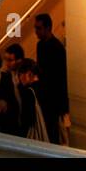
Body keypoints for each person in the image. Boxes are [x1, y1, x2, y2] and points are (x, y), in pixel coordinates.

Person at [34, 13, 68, 145]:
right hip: (44, 95)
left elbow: (61, 77)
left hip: (53, 98)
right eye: (35, 28)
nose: (36, 31)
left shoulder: (57, 48)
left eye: (39, 28)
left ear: (48, 28)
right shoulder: (40, 45)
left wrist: (63, 106)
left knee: (52, 132)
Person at [14, 59, 50, 141]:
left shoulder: (28, 92)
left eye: (20, 74)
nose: (19, 78)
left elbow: (27, 121)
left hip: (29, 136)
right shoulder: (42, 89)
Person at [0, 42, 24, 136]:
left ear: (19, 61)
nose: (6, 63)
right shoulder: (4, 77)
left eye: (10, 60)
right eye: (5, 59)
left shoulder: (23, 76)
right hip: (9, 128)